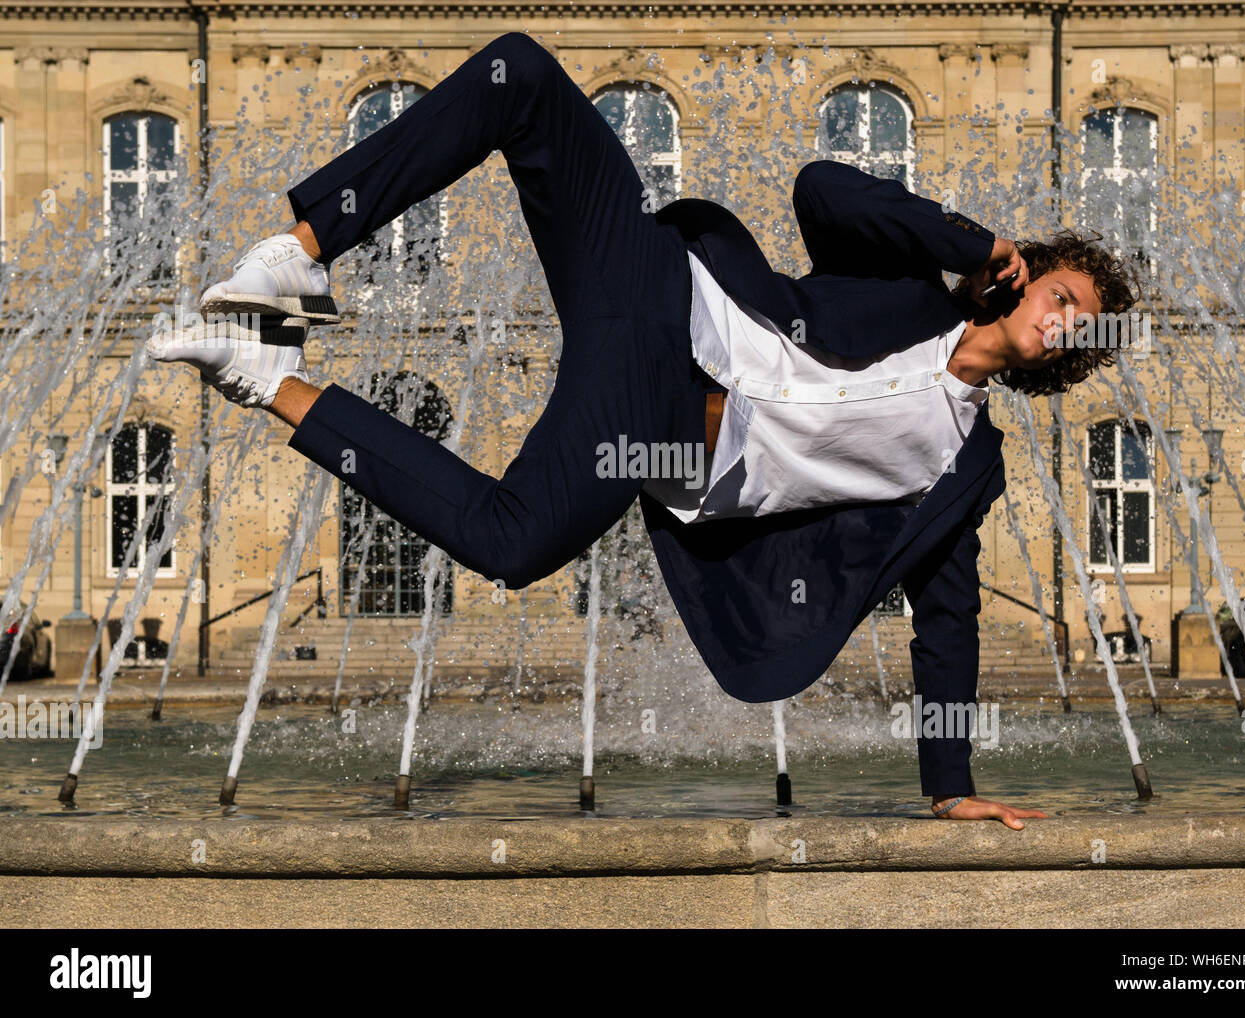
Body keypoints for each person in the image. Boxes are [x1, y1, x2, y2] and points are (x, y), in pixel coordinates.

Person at [148, 31, 1139, 828]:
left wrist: (950, 782)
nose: (1057, 316)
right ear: (1030, 275)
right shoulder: (909, 288)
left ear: (1062, 360)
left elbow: (949, 621)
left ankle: (261, 377)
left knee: (513, 541)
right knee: (521, 75)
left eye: (1074, 326)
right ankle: (296, 253)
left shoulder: (966, 465)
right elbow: (819, 188)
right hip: (665, 295)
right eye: (1059, 292)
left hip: (659, 438)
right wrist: (970, 244)